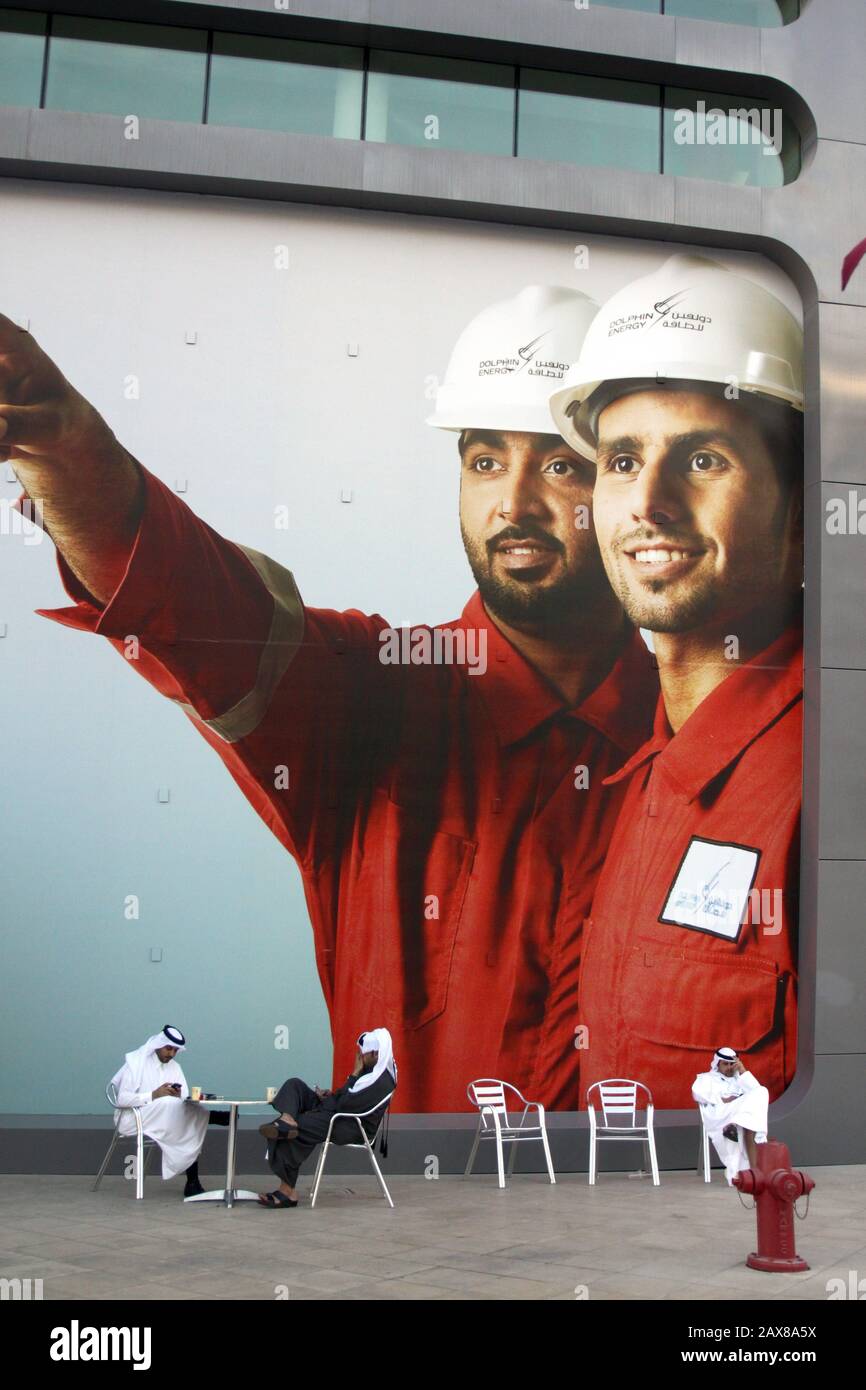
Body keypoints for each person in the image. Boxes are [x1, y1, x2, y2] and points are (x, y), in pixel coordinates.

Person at [3, 284, 658, 1111]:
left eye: (563, 464)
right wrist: (75, 462)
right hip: (403, 1228)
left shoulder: (701, 742)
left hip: (635, 1222)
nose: (514, 504)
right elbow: (207, 615)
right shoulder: (370, 694)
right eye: (484, 460)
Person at [550, 253, 803, 1109]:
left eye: (701, 460)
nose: (649, 503)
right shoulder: (646, 775)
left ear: (799, 510)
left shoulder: (830, 774)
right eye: (622, 460)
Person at [258, 1028, 397, 1208]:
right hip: (337, 1111)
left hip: (350, 1126)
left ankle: (287, 1192)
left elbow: (345, 1104)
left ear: (375, 1053)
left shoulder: (378, 1081)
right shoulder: (374, 1069)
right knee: (295, 1085)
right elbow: (347, 1098)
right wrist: (329, 1095)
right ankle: (287, 1119)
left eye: (362, 1054)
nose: (359, 1057)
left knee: (300, 1127)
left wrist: (354, 1074)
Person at [110, 1025, 228, 1199]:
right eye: (168, 1048)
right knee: (172, 1107)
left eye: (175, 1050)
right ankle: (208, 1117)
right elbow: (122, 1100)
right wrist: (153, 1094)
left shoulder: (175, 1067)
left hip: (167, 1117)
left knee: (185, 1115)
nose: (171, 1054)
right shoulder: (137, 1063)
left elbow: (185, 1099)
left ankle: (192, 1182)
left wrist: (179, 1095)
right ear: (159, 1045)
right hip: (132, 1117)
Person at [692, 1046, 769, 1185]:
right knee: (749, 1117)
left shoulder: (740, 1079)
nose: (728, 1067)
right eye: (725, 1064)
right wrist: (722, 1099)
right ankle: (752, 1171)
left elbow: (758, 1093)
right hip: (721, 1114)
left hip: (740, 1115)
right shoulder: (707, 1078)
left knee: (762, 1092)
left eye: (731, 1064)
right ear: (717, 1064)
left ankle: (753, 1172)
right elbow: (697, 1093)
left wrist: (742, 1071)